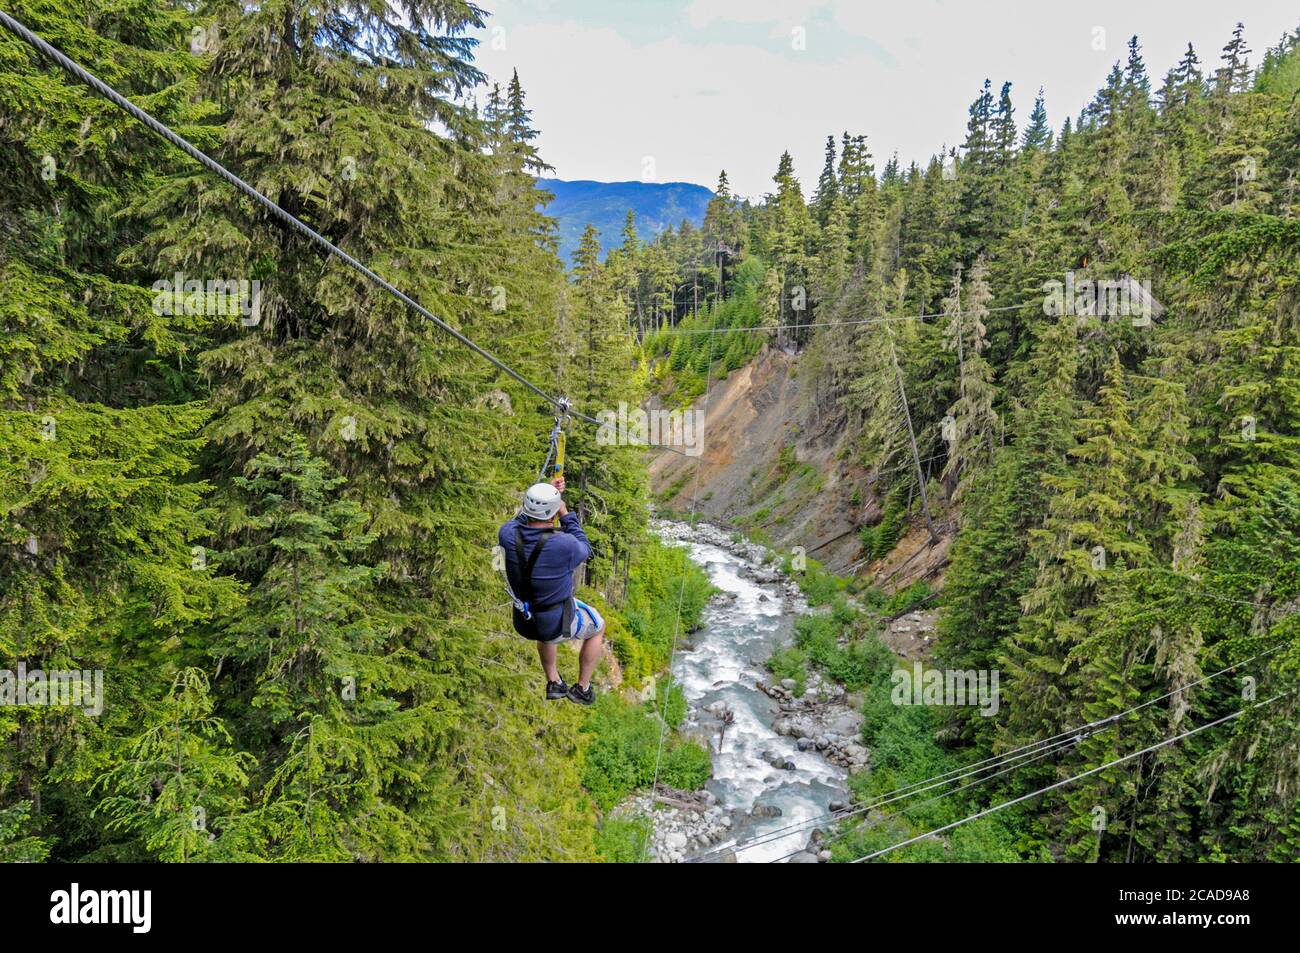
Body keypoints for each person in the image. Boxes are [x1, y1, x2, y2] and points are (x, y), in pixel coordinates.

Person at [499, 476, 605, 705]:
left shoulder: (507, 534)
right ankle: (583, 688)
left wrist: (548, 495)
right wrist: (565, 513)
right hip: (557, 622)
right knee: (598, 626)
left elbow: (521, 520)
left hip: (524, 621)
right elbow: (584, 547)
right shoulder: (563, 545)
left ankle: (554, 681)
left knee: (545, 630)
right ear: (553, 512)